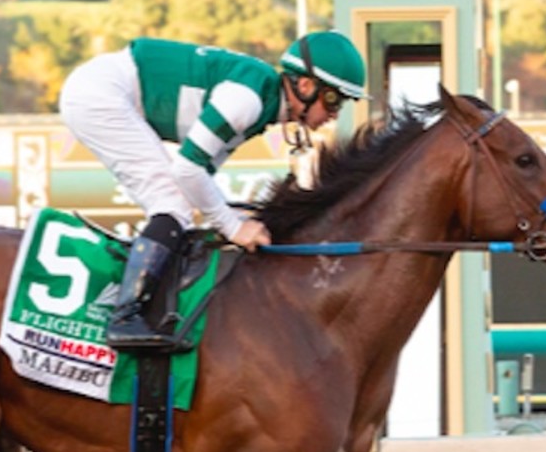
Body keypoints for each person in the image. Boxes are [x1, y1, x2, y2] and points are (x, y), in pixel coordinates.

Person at [58, 30, 367, 350]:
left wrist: (232, 215)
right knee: (172, 204)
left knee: (176, 203)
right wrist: (233, 227)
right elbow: (187, 169)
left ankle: (140, 306)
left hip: (106, 91)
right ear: (305, 86)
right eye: (334, 99)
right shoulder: (248, 101)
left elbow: (199, 175)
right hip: (102, 94)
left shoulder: (261, 106)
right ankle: (125, 317)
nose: (334, 113)